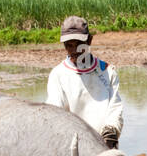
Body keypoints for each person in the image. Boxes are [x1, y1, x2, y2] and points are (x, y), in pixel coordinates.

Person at [45, 15, 124, 148]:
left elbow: (115, 107)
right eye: (69, 45)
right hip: (72, 145)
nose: (75, 50)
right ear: (64, 46)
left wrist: (111, 130)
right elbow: (55, 111)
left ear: (89, 41)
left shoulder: (107, 71)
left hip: (105, 143)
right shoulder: (58, 74)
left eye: (79, 44)